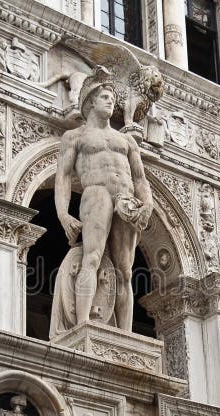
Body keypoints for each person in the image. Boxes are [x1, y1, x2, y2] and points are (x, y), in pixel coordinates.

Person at [54, 66, 153, 332]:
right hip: (96, 193)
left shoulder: (126, 140)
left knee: (125, 272)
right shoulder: (75, 136)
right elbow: (63, 177)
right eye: (105, 97)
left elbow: (140, 179)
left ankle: (125, 334)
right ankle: (83, 324)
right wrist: (63, 214)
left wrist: (147, 205)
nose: (111, 102)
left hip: (126, 200)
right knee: (92, 258)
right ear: (90, 102)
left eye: (112, 97)